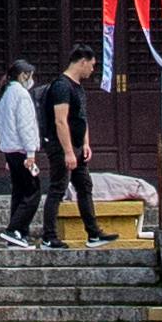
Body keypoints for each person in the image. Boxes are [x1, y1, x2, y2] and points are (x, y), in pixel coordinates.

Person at [43, 52, 108, 249]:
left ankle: (93, 232)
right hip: (62, 147)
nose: (92, 69)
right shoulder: (62, 86)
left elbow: (81, 117)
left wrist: (86, 143)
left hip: (78, 146)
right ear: (82, 62)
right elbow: (61, 121)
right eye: (92, 65)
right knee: (58, 188)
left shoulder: (78, 87)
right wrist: (69, 152)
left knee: (84, 186)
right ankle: (49, 235)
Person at [0, 57, 49, 246]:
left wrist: (5, 146)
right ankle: (14, 229)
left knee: (19, 192)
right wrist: (31, 153)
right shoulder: (21, 95)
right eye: (30, 75)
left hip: (9, 150)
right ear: (24, 75)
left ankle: (19, 234)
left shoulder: (4, 94)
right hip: (22, 150)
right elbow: (26, 126)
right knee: (33, 193)